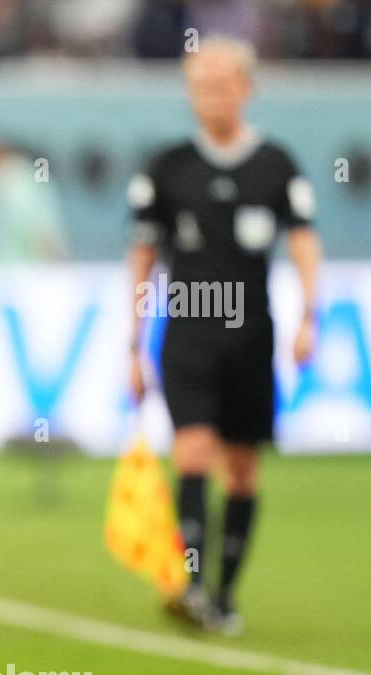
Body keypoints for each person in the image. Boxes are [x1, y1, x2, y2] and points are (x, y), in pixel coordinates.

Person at [127, 36, 322, 635]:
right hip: (186, 331)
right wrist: (132, 343)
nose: (210, 96)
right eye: (200, 86)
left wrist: (311, 313)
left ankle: (224, 594)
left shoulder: (276, 165)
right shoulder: (166, 167)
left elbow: (303, 239)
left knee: (241, 467)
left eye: (221, 84)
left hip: (250, 334)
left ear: (246, 88)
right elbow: (142, 256)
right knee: (191, 450)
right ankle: (189, 584)